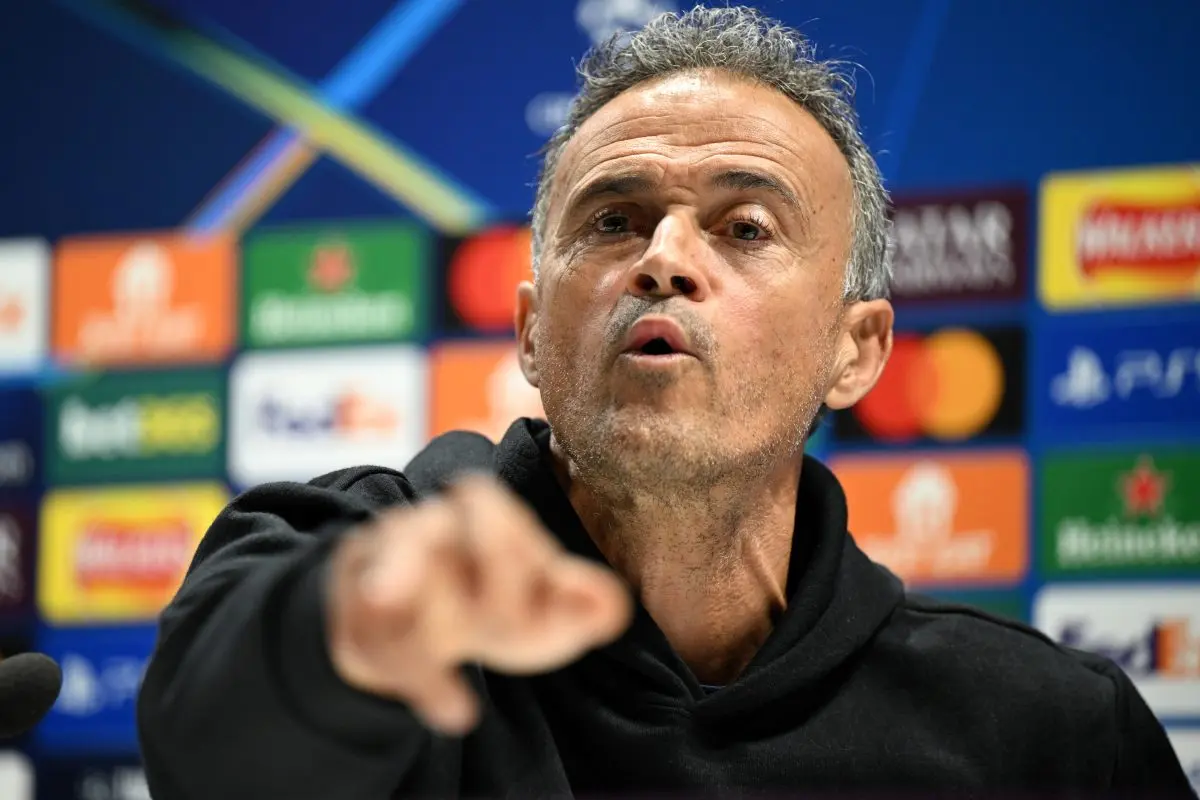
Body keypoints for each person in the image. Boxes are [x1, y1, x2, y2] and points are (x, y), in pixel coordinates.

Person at [137, 6, 1195, 799]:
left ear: (856, 350)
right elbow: (214, 743)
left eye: (746, 228)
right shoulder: (334, 554)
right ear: (530, 333)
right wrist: (353, 629)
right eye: (613, 221)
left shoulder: (1048, 731)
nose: (664, 257)